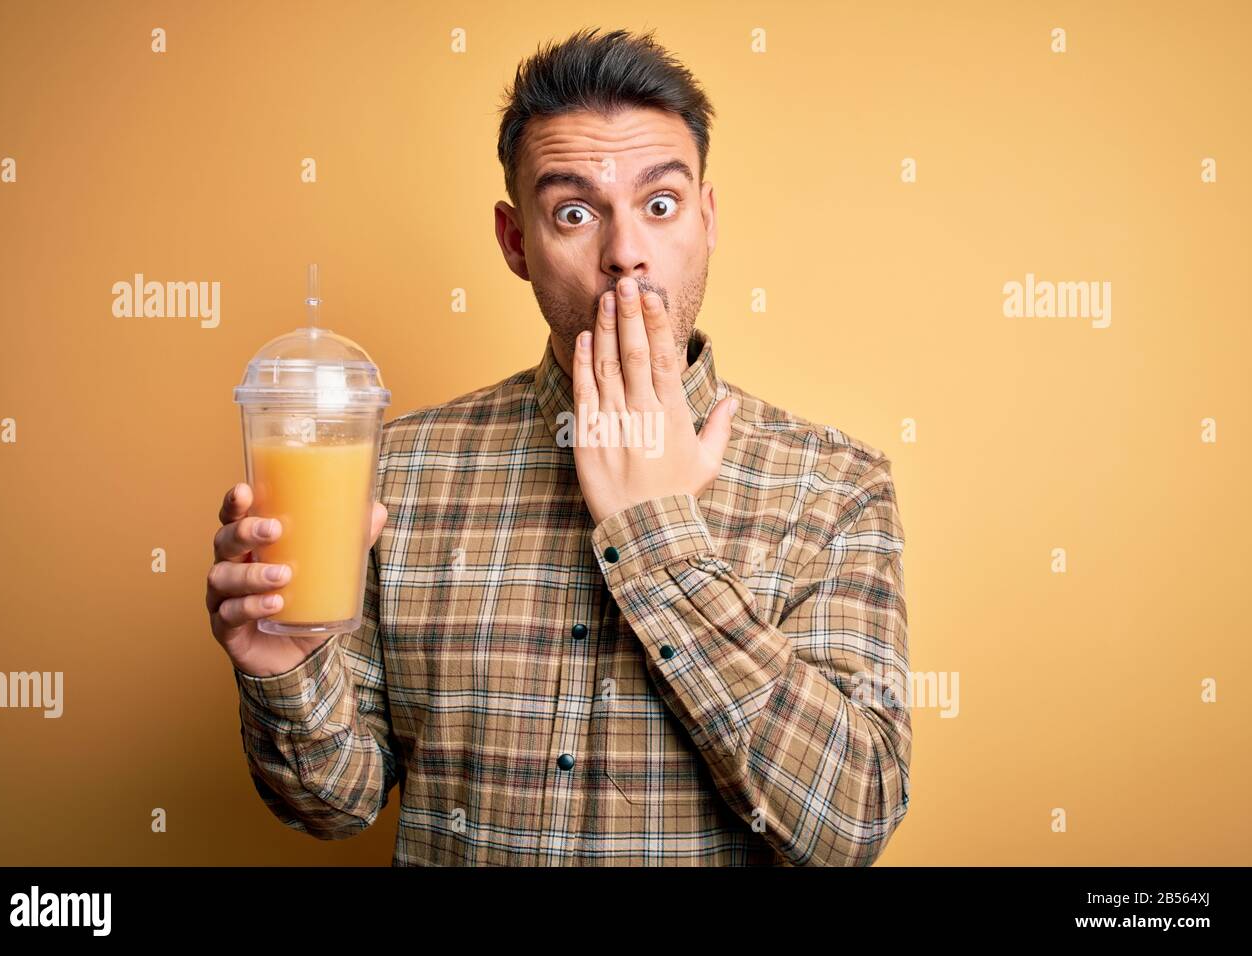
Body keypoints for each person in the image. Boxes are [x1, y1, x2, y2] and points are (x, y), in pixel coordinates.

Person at [206, 26, 911, 866]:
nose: (625, 254)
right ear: (515, 242)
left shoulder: (836, 485)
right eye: (574, 212)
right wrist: (287, 668)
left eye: (660, 204)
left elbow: (851, 823)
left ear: (707, 219)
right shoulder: (398, 469)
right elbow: (334, 804)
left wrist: (660, 537)